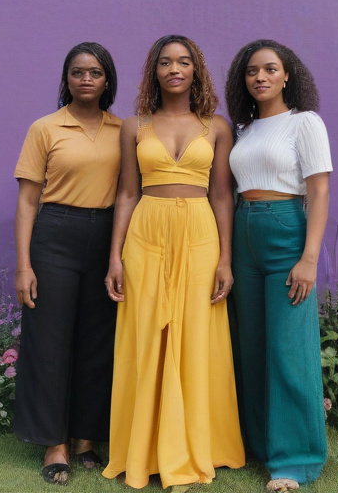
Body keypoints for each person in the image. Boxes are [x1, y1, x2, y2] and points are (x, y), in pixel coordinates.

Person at [103, 35, 245, 489]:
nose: (174, 69)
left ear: (196, 70)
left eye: (183, 61)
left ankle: (197, 446)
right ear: (155, 71)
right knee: (146, 336)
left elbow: (223, 194)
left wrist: (226, 258)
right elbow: (126, 192)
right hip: (146, 233)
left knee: (198, 338)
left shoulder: (217, 126)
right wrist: (115, 257)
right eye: (165, 62)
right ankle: (142, 448)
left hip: (201, 235)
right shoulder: (134, 125)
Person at [225, 40, 332, 493]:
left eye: (270, 69)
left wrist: (308, 258)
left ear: (288, 75)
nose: (261, 77)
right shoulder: (244, 129)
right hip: (243, 230)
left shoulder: (304, 122)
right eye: (252, 71)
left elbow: (320, 192)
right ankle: (259, 446)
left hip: (286, 228)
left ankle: (295, 460)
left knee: (289, 348)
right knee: (249, 346)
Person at [13, 42, 121, 485]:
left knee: (99, 339)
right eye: (77, 72)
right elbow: (26, 201)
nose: (86, 79)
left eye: (95, 72)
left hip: (108, 235)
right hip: (55, 234)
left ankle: (86, 438)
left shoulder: (125, 128)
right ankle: (54, 443)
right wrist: (24, 265)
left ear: (107, 79)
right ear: (67, 79)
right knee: (50, 340)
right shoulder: (45, 127)